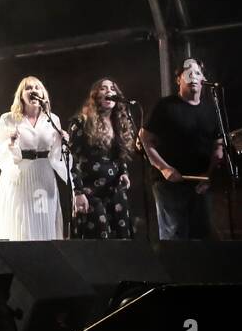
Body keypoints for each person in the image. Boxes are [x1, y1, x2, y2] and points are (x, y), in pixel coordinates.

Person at [139, 59, 226, 240]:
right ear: (178, 79)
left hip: (200, 184)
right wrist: (164, 168)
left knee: (203, 235)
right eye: (188, 72)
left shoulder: (212, 110)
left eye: (197, 73)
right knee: (175, 235)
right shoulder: (165, 106)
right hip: (169, 184)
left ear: (203, 79)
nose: (193, 76)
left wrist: (209, 175)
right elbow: (144, 139)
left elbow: (218, 147)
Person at [0, 76, 70, 240]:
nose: (33, 90)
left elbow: (57, 156)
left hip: (43, 173)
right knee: (21, 223)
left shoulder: (52, 119)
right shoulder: (8, 119)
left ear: (43, 94)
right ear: (21, 95)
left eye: (37, 87)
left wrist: (62, 143)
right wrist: (11, 142)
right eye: (28, 88)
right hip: (19, 175)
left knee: (43, 220)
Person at [66, 78, 135, 240]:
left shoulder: (120, 122)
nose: (109, 91)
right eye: (103, 88)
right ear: (95, 95)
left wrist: (124, 172)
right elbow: (71, 159)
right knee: (98, 239)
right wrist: (78, 192)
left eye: (112, 88)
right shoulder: (82, 122)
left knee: (122, 239)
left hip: (115, 190)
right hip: (90, 191)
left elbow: (120, 156)